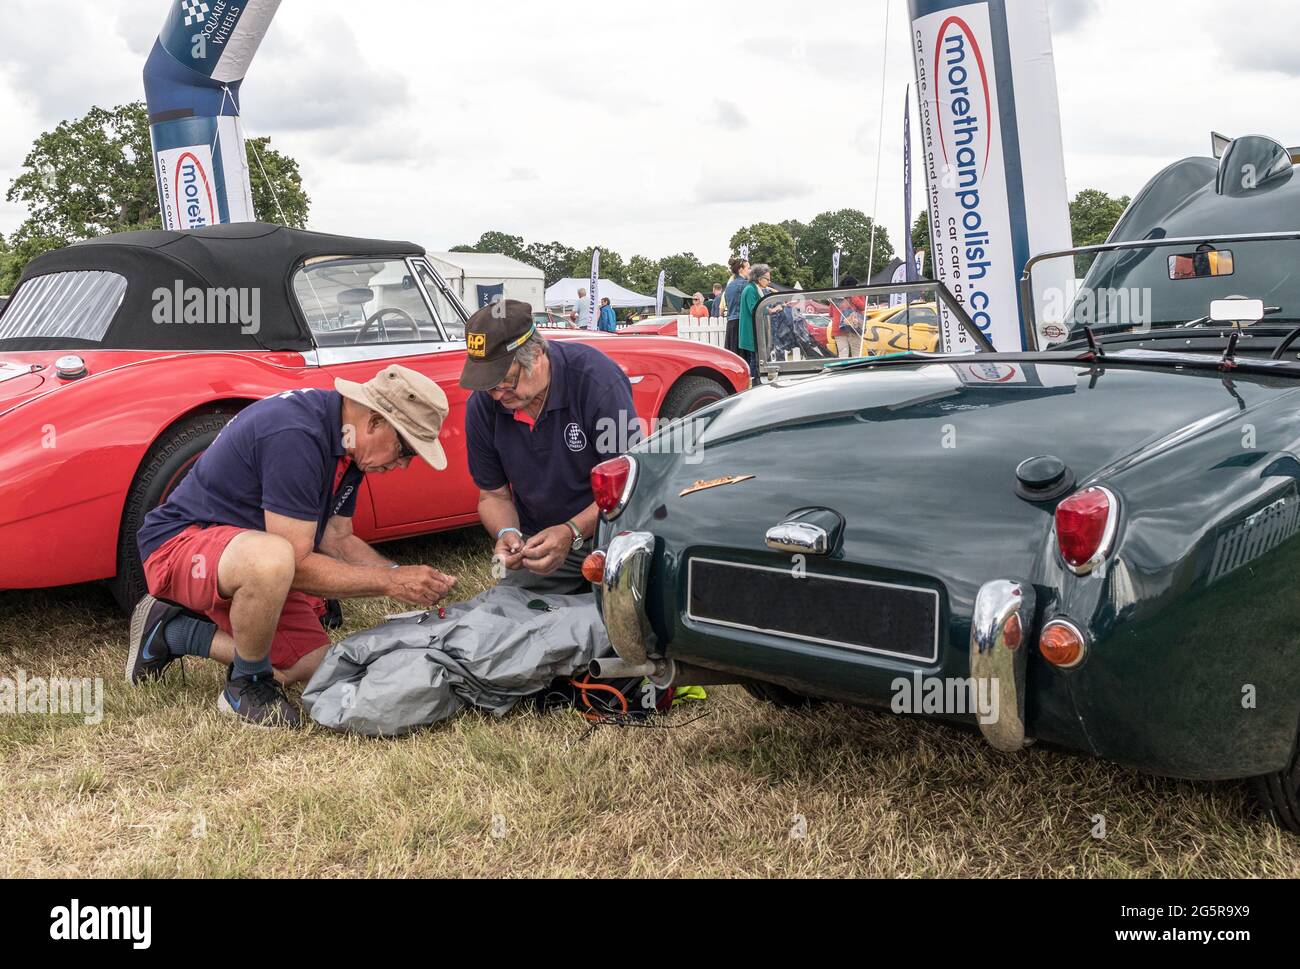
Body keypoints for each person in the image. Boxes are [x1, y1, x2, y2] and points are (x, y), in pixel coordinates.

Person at [126, 367, 458, 728]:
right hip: (177, 546)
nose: (404, 464)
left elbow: (338, 539)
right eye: (406, 448)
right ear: (376, 422)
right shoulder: (296, 434)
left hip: (239, 550)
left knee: (314, 662)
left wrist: (398, 575)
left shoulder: (346, 445)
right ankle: (246, 684)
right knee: (273, 559)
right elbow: (295, 563)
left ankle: (171, 633)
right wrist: (388, 584)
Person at [460, 300, 641, 595]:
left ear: (538, 354)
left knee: (624, 616)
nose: (495, 395)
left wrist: (571, 531)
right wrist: (507, 533)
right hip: (542, 540)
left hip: (611, 530)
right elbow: (492, 495)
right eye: (487, 385)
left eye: (505, 382)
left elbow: (629, 487)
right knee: (513, 610)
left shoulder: (597, 381)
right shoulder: (483, 405)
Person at [738, 263, 770, 379]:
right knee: (755, 360)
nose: (768, 282)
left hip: (753, 331)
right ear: (760, 278)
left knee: (755, 359)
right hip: (751, 332)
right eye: (767, 279)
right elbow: (755, 309)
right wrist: (771, 310)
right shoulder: (751, 290)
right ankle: (753, 385)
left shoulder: (752, 288)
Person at [722, 257, 749, 355]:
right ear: (741, 269)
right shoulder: (746, 285)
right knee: (743, 358)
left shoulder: (729, 286)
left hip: (730, 324)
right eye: (748, 268)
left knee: (733, 357)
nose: (749, 271)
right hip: (741, 324)